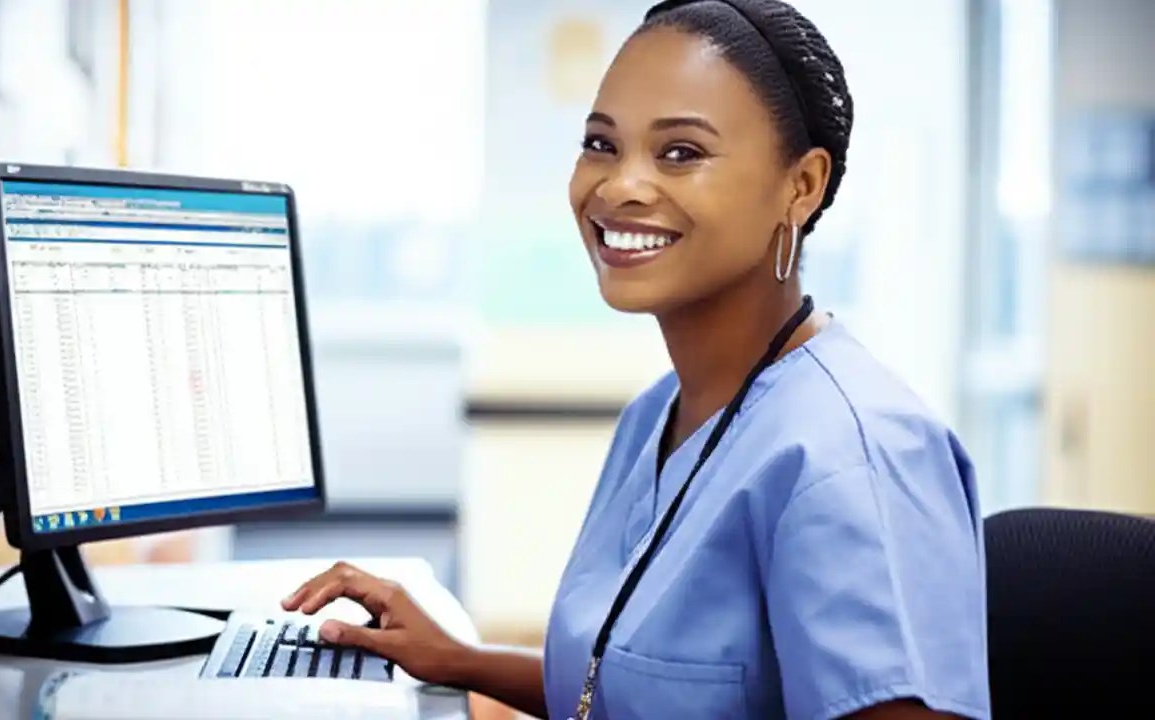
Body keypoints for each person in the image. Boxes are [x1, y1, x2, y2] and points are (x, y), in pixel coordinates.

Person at [282, 1, 990, 718]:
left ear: (800, 186)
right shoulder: (659, 414)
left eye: (681, 152)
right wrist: (458, 659)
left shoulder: (853, 457)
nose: (619, 186)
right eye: (601, 144)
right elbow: (636, 685)